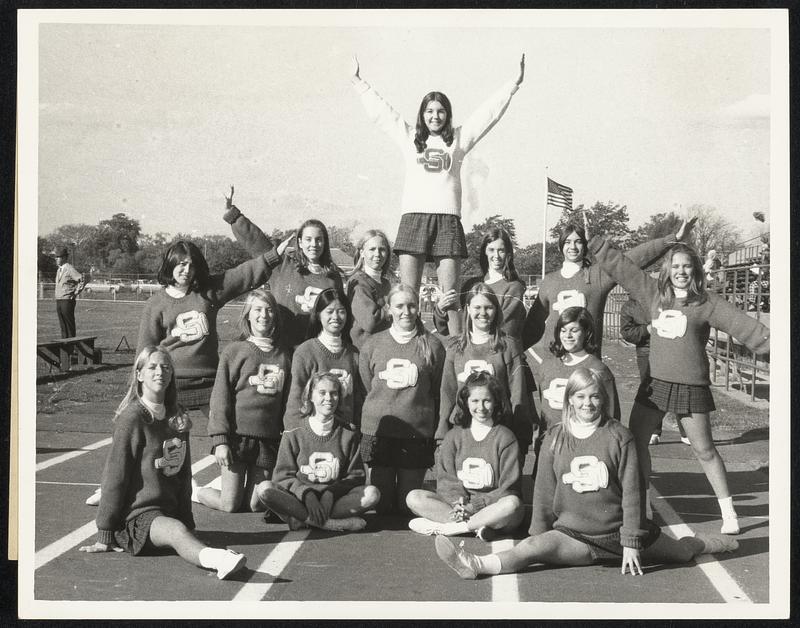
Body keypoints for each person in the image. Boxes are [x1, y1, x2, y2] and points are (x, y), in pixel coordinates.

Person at [434, 368, 738, 580]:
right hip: (575, 536)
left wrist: (632, 542)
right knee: (530, 548)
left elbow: (633, 493)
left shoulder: (619, 436)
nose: (587, 404)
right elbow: (544, 492)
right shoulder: (555, 437)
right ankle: (474, 563)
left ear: (603, 399)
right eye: (580, 397)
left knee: (682, 554)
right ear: (569, 399)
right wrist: (540, 532)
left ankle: (705, 542)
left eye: (594, 397)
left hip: (619, 533)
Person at [588, 234, 770, 534]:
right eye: (675, 266)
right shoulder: (653, 294)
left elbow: (744, 326)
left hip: (691, 386)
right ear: (667, 270)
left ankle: (729, 513)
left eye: (687, 266)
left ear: (695, 270)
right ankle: (644, 503)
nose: (681, 271)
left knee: (705, 450)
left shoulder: (707, 303)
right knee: (637, 440)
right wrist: (597, 245)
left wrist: (773, 344)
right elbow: (623, 268)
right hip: (656, 384)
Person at [351, 54, 525, 335]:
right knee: (408, 293)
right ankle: (408, 342)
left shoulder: (458, 139)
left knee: (450, 295)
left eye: (440, 111)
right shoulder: (410, 138)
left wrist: (513, 84)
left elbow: (487, 115)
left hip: (447, 221)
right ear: (422, 114)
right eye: (429, 111)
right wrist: (359, 82)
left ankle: (457, 347)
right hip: (414, 219)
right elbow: (383, 113)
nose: (435, 116)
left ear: (448, 114)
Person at [78, 347, 247, 580]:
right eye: (152, 367)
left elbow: (183, 475)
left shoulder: (177, 417)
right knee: (176, 531)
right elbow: (115, 477)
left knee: (179, 528)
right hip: (137, 517)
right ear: (139, 374)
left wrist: (187, 520)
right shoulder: (132, 418)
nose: (160, 372)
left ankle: (198, 544)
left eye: (166, 367)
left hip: (168, 512)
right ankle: (220, 561)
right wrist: (105, 533)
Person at [522, 219, 696, 359]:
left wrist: (672, 239)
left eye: (578, 242)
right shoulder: (549, 281)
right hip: (553, 365)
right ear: (560, 245)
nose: (573, 247)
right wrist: (513, 352)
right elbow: (533, 326)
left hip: (588, 366)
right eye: (567, 242)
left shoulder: (598, 275)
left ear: (585, 245)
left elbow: (634, 258)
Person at [196, 289, 291, 514]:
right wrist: (220, 440)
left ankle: (231, 487)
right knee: (230, 505)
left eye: (269, 310)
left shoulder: (285, 356)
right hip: (237, 438)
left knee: (256, 505)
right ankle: (197, 491)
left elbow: (287, 401)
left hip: (267, 439)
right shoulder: (234, 351)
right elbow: (220, 398)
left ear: (275, 316)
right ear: (248, 315)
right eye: (257, 310)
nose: (263, 315)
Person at [358, 284, 446, 515]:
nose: (406, 312)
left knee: (407, 507)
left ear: (418, 308)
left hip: (415, 434)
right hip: (379, 434)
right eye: (399, 306)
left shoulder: (433, 345)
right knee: (382, 506)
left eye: (411, 305)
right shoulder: (372, 344)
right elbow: (366, 386)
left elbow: (437, 390)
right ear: (389, 309)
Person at [407, 372, 524, 540]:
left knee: (512, 504)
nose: (481, 407)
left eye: (487, 400)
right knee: (414, 497)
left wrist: (474, 507)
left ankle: (454, 527)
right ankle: (477, 527)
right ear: (466, 402)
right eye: (475, 401)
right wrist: (458, 503)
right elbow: (447, 481)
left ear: (496, 402)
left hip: (493, 507)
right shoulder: (453, 436)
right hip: (459, 508)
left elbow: (508, 487)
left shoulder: (506, 438)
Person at [258, 372, 380, 532]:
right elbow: (282, 477)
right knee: (264, 489)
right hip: (300, 499)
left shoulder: (348, 433)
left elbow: (356, 477)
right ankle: (330, 524)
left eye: (334, 393)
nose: (329, 398)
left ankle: (303, 520)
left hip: (333, 501)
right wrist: (306, 494)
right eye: (322, 393)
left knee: (372, 494)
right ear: (310, 396)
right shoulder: (293, 432)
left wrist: (330, 493)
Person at [223, 197, 345, 348]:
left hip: (317, 352)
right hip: (282, 350)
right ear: (300, 242)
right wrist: (233, 215)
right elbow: (256, 241)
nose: (314, 244)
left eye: (319, 239)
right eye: (308, 239)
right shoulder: (283, 266)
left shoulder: (333, 277)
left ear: (325, 243)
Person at [435, 283, 532, 467]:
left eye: (488, 307)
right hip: (463, 429)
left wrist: (521, 438)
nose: (483, 313)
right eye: (477, 307)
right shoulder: (455, 347)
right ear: (468, 309)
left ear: (496, 310)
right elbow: (447, 393)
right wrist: (442, 433)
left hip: (498, 430)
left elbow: (518, 395)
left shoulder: (508, 346)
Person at [529, 307, 620, 440]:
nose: (568, 336)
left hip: (584, 443)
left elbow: (611, 415)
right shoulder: (547, 366)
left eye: (574, 330)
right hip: (549, 442)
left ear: (586, 332)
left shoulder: (598, 370)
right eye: (563, 330)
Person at [283, 288, 362, 431]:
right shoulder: (305, 352)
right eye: (329, 311)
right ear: (319, 315)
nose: (336, 317)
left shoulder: (354, 354)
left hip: (344, 434)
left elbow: (357, 400)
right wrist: (295, 434)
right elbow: (295, 401)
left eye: (341, 311)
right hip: (313, 434)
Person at [433, 227, 527, 343]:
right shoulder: (470, 285)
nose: (496, 255)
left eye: (501, 250)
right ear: (485, 252)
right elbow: (444, 330)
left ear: (508, 254)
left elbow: (506, 330)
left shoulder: (514, 288)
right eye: (491, 250)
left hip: (496, 350)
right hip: (468, 350)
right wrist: (441, 309)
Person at [619, 297, 689, 446]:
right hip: (647, 351)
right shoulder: (629, 306)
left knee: (680, 387)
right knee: (651, 390)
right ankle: (654, 431)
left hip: (672, 348)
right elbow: (627, 333)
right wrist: (647, 329)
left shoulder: (662, 299)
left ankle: (686, 432)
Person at [346, 230, 393, 350]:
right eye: (372, 249)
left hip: (385, 347)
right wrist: (392, 309)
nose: (377, 254)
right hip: (364, 350)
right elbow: (369, 321)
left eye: (382, 249)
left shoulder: (386, 284)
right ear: (362, 252)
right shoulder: (358, 282)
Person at [53, 246, 86, 339]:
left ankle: (71, 344)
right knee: (63, 325)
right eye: (56, 257)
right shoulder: (59, 269)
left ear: (64, 258)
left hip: (67, 300)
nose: (56, 259)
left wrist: (76, 292)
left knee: (69, 324)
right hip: (59, 299)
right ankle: (65, 344)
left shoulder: (69, 268)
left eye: (58, 257)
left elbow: (82, 279)